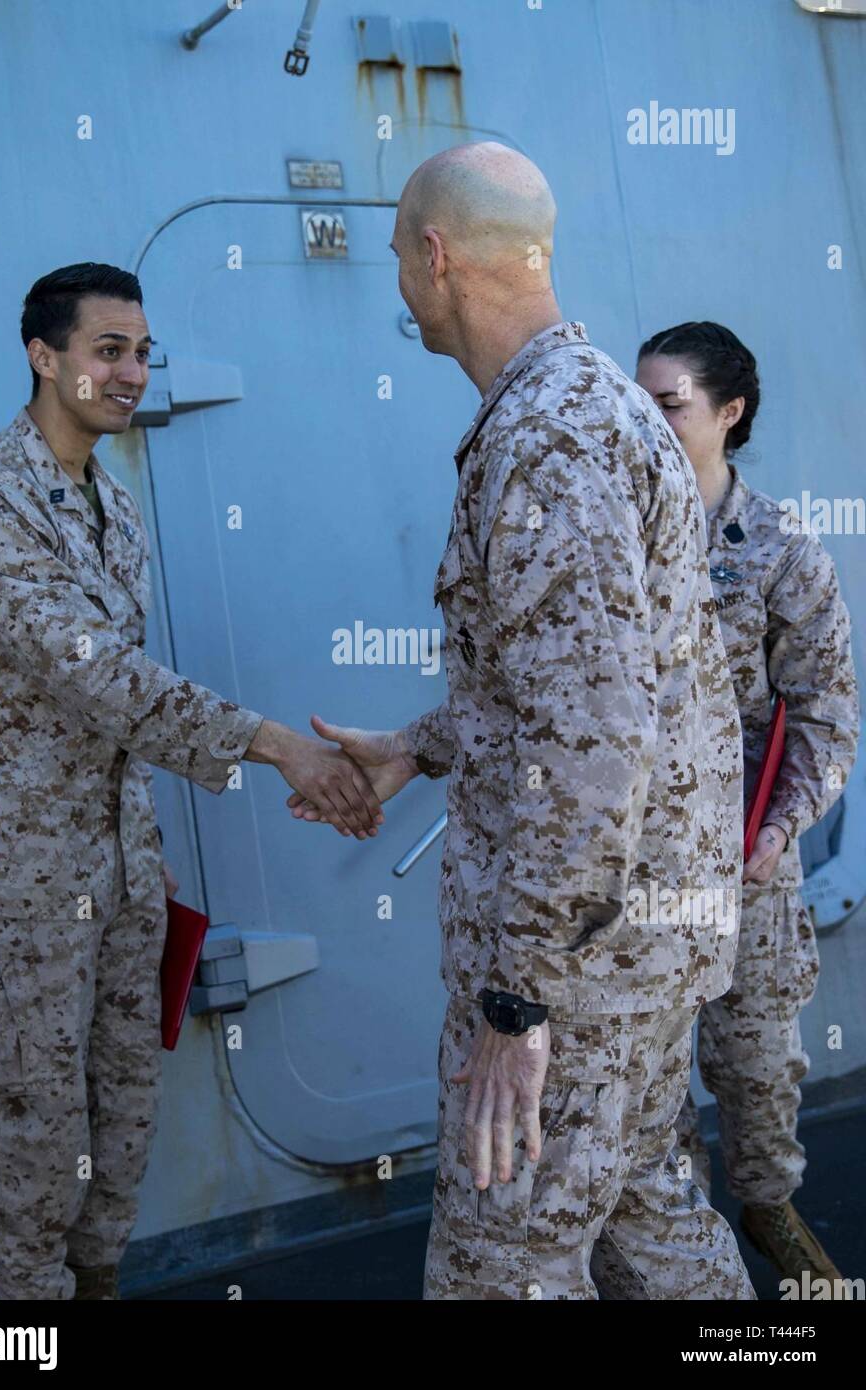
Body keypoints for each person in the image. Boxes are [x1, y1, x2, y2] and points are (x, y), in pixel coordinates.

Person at [287, 142, 756, 1299]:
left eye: (402, 258)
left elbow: (593, 741)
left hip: (582, 974)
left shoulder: (547, 435)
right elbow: (581, 686)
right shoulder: (605, 405)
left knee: (500, 1272)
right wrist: (415, 745)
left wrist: (517, 1002)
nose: (402, 285)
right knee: (656, 1229)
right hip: (646, 947)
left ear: (437, 257)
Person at [0, 262, 383, 1301]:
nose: (132, 373)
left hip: (121, 877)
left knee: (122, 1132)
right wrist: (279, 746)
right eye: (109, 350)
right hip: (17, 891)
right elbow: (102, 679)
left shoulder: (114, 509)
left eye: (143, 352)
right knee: (39, 1148)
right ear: (45, 357)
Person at [636, 322, 859, 1288]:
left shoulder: (780, 547)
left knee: (759, 1071)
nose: (643, 422)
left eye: (667, 403)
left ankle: (771, 1213)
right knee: (644, 1091)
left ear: (729, 413)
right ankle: (682, 1263)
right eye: (632, 402)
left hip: (745, 870)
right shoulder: (614, 535)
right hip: (634, 875)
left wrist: (781, 825)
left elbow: (826, 712)